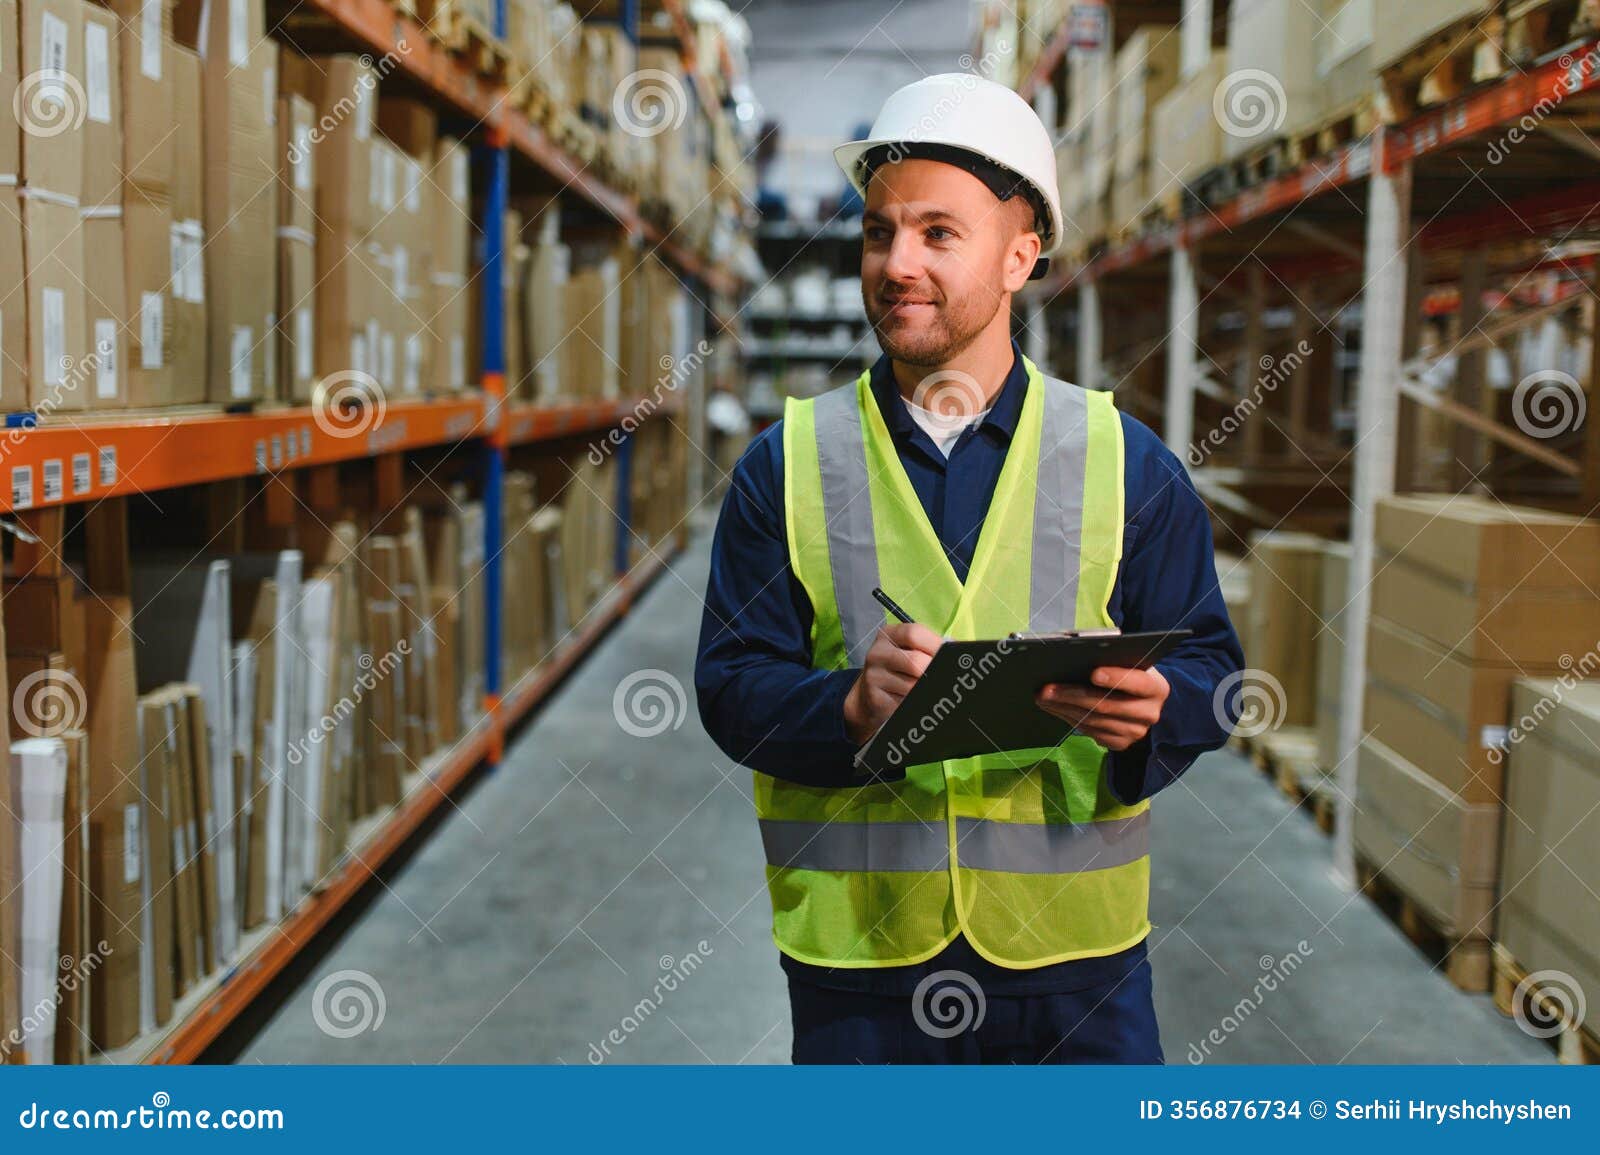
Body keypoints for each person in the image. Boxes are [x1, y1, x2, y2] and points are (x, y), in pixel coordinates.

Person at [695, 73, 1244, 1064]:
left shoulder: (1126, 463)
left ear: (1019, 256)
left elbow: (1217, 670)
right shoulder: (788, 465)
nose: (897, 263)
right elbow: (732, 690)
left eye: (938, 234)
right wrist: (849, 712)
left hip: (1073, 965)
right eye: (878, 233)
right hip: (861, 963)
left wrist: (1158, 707)